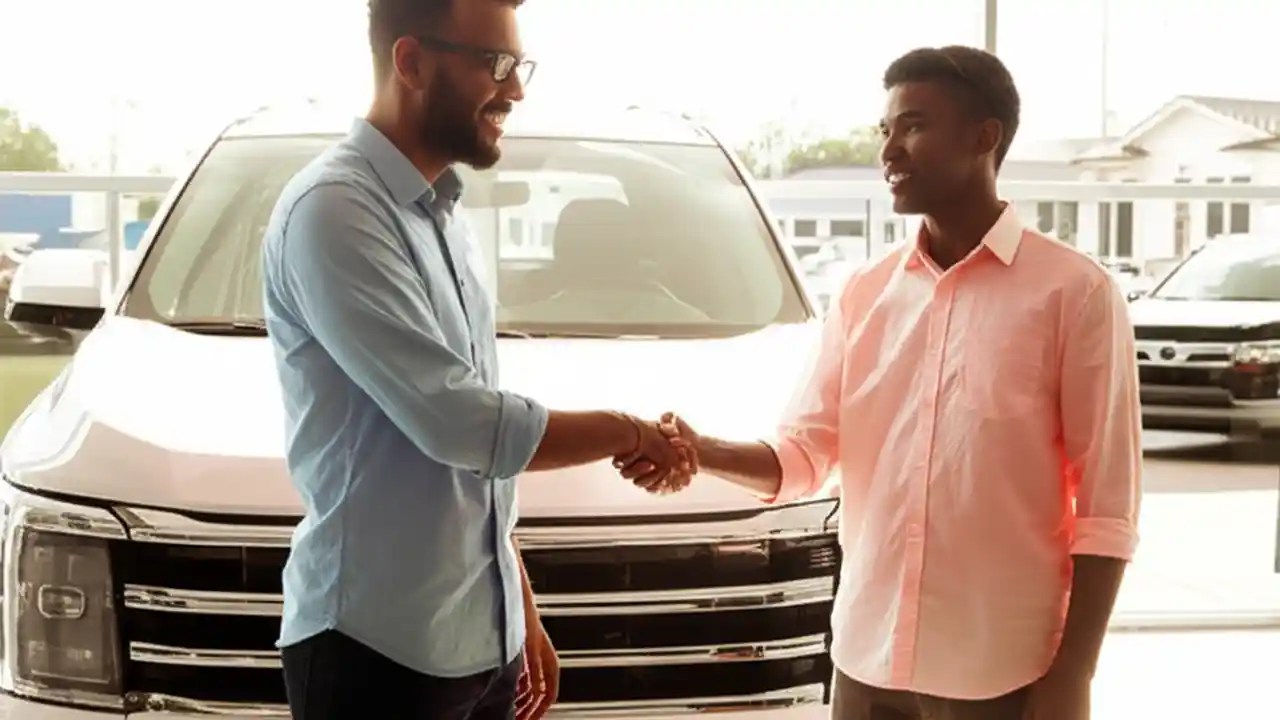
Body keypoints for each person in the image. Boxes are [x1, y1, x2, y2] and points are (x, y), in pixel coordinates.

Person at [625, 45, 1141, 720]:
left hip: (1001, 672)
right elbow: (804, 458)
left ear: (985, 138)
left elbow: (1107, 511)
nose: (890, 150)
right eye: (886, 131)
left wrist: (1074, 674)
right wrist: (703, 451)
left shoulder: (1074, 294)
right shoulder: (864, 295)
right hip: (866, 664)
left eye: (914, 126)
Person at [260, 1, 692, 718]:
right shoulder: (335, 209)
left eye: (518, 67)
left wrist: (516, 614)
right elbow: (457, 423)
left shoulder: (442, 217)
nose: (515, 90)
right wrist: (630, 432)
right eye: (495, 64)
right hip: (374, 652)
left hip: (478, 646)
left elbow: (471, 464)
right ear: (411, 61)